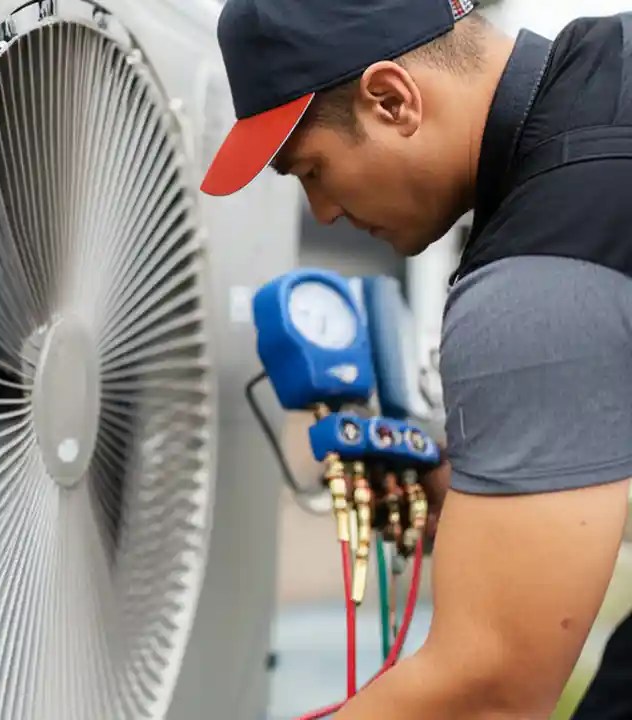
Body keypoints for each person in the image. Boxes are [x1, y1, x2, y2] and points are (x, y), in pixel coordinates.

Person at [202, 1, 632, 718]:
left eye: (312, 170)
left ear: (393, 100)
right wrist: (503, 481)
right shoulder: (611, 64)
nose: (325, 213)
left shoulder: (538, 273)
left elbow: (491, 686)